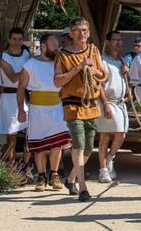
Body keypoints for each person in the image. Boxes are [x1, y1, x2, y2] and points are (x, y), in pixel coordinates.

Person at [54, 17, 109, 202]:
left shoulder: (93, 51)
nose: (82, 33)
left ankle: (70, 179)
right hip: (72, 104)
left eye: (85, 30)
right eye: (77, 30)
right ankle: (83, 187)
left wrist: (94, 72)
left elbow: (103, 76)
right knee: (78, 144)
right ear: (71, 33)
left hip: (91, 105)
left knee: (87, 149)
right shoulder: (62, 55)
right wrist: (78, 68)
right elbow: (57, 81)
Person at [17, 33, 69, 192]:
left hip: (57, 107)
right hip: (37, 108)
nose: (57, 48)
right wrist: (21, 109)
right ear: (43, 46)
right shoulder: (30, 64)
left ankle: (54, 175)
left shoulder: (59, 63)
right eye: (53, 45)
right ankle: (41, 177)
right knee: (38, 145)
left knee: (57, 144)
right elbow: (21, 88)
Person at [97, 31, 129, 183]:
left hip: (120, 103)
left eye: (120, 40)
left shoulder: (121, 61)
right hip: (108, 102)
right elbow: (99, 85)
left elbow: (123, 81)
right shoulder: (102, 61)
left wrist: (126, 74)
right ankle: (103, 170)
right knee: (105, 136)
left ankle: (110, 158)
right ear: (108, 42)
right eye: (114, 40)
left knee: (121, 135)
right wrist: (104, 104)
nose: (118, 42)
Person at [0, 28, 31, 163]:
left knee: (30, 134)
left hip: (27, 97)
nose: (17, 42)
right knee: (12, 136)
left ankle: (26, 167)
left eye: (20, 39)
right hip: (10, 98)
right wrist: (27, 70)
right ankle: (11, 167)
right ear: (9, 40)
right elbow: (13, 78)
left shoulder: (26, 54)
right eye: (14, 39)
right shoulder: (3, 58)